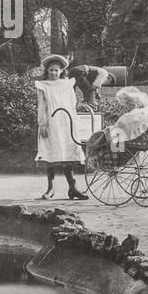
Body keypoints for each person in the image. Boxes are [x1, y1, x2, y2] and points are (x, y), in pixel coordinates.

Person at [35, 55, 87, 200]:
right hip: (51, 123)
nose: (53, 73)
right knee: (50, 152)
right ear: (47, 71)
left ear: (61, 71)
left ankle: (73, 187)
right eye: (51, 70)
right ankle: (50, 188)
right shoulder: (43, 86)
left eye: (56, 70)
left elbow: (72, 103)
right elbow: (42, 107)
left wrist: (74, 121)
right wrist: (42, 124)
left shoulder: (67, 84)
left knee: (67, 152)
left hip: (66, 122)